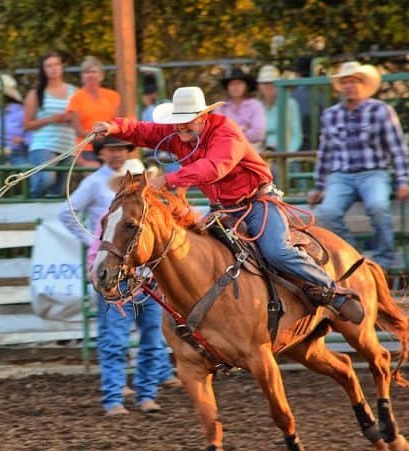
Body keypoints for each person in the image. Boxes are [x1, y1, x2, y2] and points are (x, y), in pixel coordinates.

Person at [92, 86, 364, 325]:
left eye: (188, 121)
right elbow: (145, 131)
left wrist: (170, 179)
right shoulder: (179, 133)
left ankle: (332, 291)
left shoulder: (225, 133)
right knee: (196, 257)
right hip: (222, 208)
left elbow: (214, 167)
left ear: (203, 117)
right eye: (178, 122)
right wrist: (113, 127)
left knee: (277, 250)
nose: (182, 127)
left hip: (257, 203)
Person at [58, 135, 178, 416]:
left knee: (152, 336)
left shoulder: (141, 180)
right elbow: (67, 212)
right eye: (111, 150)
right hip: (115, 265)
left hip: (144, 267)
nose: (116, 154)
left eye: (121, 149)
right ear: (101, 154)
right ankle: (114, 398)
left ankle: (145, 395)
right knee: (116, 336)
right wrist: (94, 240)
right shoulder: (95, 183)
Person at [308, 61, 409, 271]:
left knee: (378, 207)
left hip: (373, 172)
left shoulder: (381, 110)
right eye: (345, 82)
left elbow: (397, 148)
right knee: (327, 213)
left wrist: (403, 181)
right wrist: (319, 186)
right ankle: (355, 258)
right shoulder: (331, 114)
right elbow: (325, 152)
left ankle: (384, 258)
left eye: (354, 81)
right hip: (341, 175)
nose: (349, 86)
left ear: (365, 85)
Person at [22, 51, 77, 197]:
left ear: (62, 67)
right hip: (44, 145)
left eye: (56, 64)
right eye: (49, 66)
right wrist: (52, 119)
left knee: (60, 190)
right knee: (46, 180)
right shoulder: (36, 93)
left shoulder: (74, 92)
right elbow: (27, 124)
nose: (53, 68)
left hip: (68, 145)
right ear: (43, 70)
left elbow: (81, 116)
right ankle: (31, 204)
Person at [66, 56, 122, 167]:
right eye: (87, 72)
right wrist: (97, 137)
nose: (90, 75)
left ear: (101, 76)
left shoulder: (113, 96)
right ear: (82, 77)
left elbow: (118, 122)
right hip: (87, 149)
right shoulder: (76, 98)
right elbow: (79, 131)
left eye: (94, 72)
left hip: (109, 147)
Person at [214, 68, 266, 151]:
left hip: (251, 151)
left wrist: (231, 134)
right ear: (227, 87)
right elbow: (216, 132)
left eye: (239, 83)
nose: (235, 87)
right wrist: (243, 129)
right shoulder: (220, 106)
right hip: (225, 151)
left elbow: (258, 134)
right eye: (232, 84)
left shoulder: (255, 105)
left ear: (246, 86)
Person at [257, 65, 302, 154]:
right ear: (259, 86)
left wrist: (286, 155)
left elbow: (296, 135)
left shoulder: (289, 104)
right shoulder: (256, 106)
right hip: (260, 155)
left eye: (272, 83)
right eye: (265, 83)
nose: (268, 87)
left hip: (285, 154)